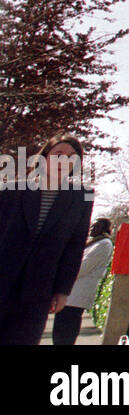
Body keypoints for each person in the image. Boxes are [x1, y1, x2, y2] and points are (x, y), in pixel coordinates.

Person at [0, 133, 95, 345]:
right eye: (58, 153)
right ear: (45, 157)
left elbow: (74, 246)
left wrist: (63, 290)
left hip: (38, 289)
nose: (64, 160)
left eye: (72, 156)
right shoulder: (11, 190)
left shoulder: (81, 198)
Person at [52, 218, 114, 346]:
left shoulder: (104, 244)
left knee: (65, 333)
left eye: (96, 226)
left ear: (105, 229)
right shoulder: (93, 243)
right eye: (92, 226)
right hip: (71, 294)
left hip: (77, 296)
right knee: (59, 330)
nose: (92, 228)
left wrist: (62, 273)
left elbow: (81, 267)